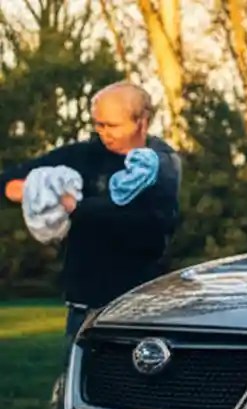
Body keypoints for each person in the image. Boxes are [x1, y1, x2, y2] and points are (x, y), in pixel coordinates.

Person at [0, 81, 181, 337]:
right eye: (98, 124)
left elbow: (145, 220)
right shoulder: (81, 156)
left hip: (140, 303)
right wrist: (34, 190)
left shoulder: (162, 164)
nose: (104, 133)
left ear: (142, 122)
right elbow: (9, 181)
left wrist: (75, 207)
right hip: (83, 304)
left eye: (112, 126)